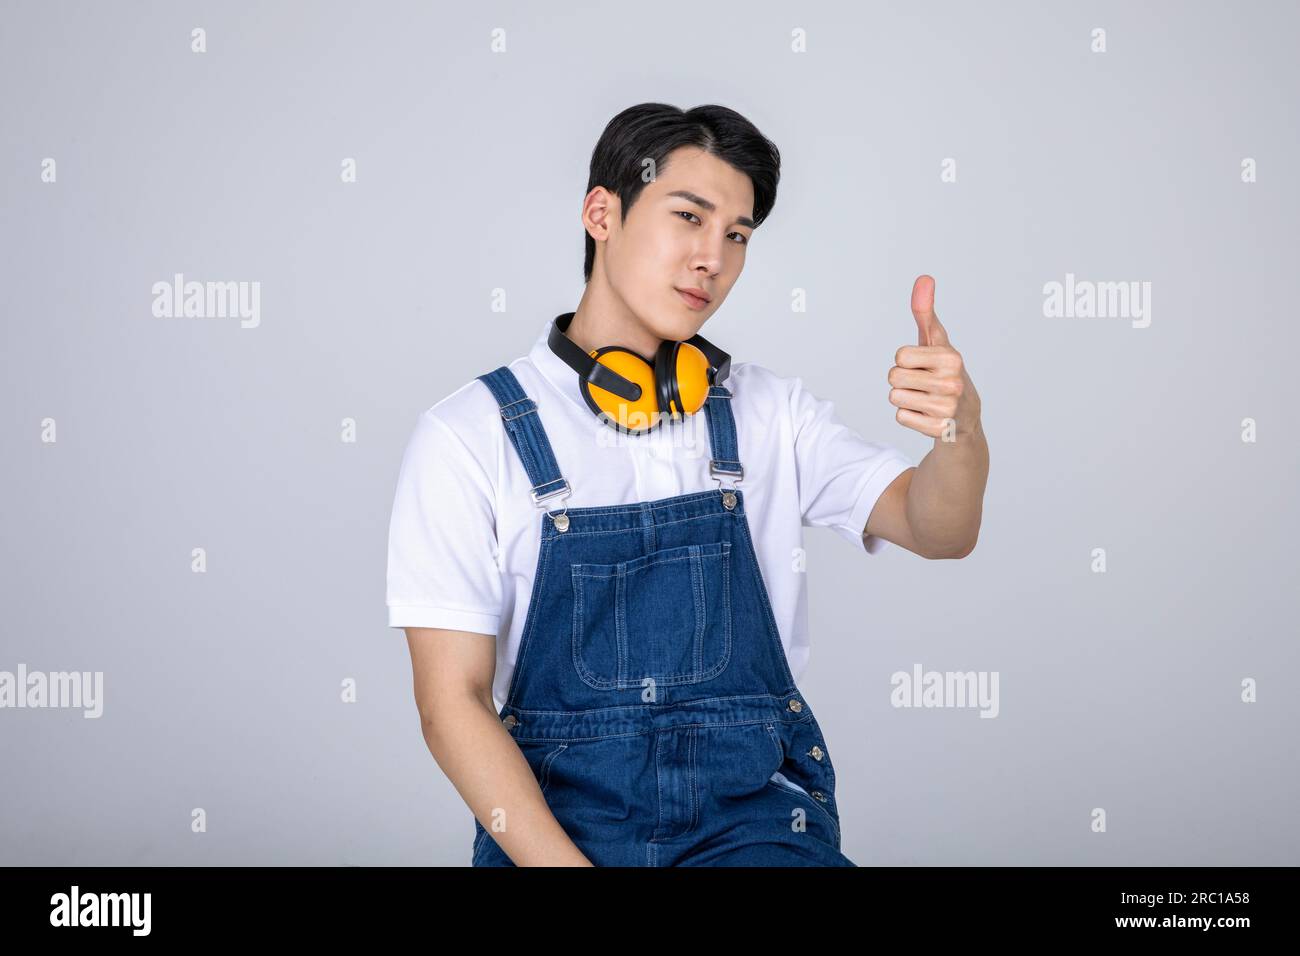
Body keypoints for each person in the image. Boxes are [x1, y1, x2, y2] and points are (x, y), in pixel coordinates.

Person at [386, 102, 989, 866]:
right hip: (550, 830)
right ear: (601, 213)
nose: (715, 258)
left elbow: (941, 530)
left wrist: (959, 428)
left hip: (751, 828)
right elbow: (451, 703)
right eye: (689, 217)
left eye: (737, 235)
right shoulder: (468, 435)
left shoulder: (770, 412)